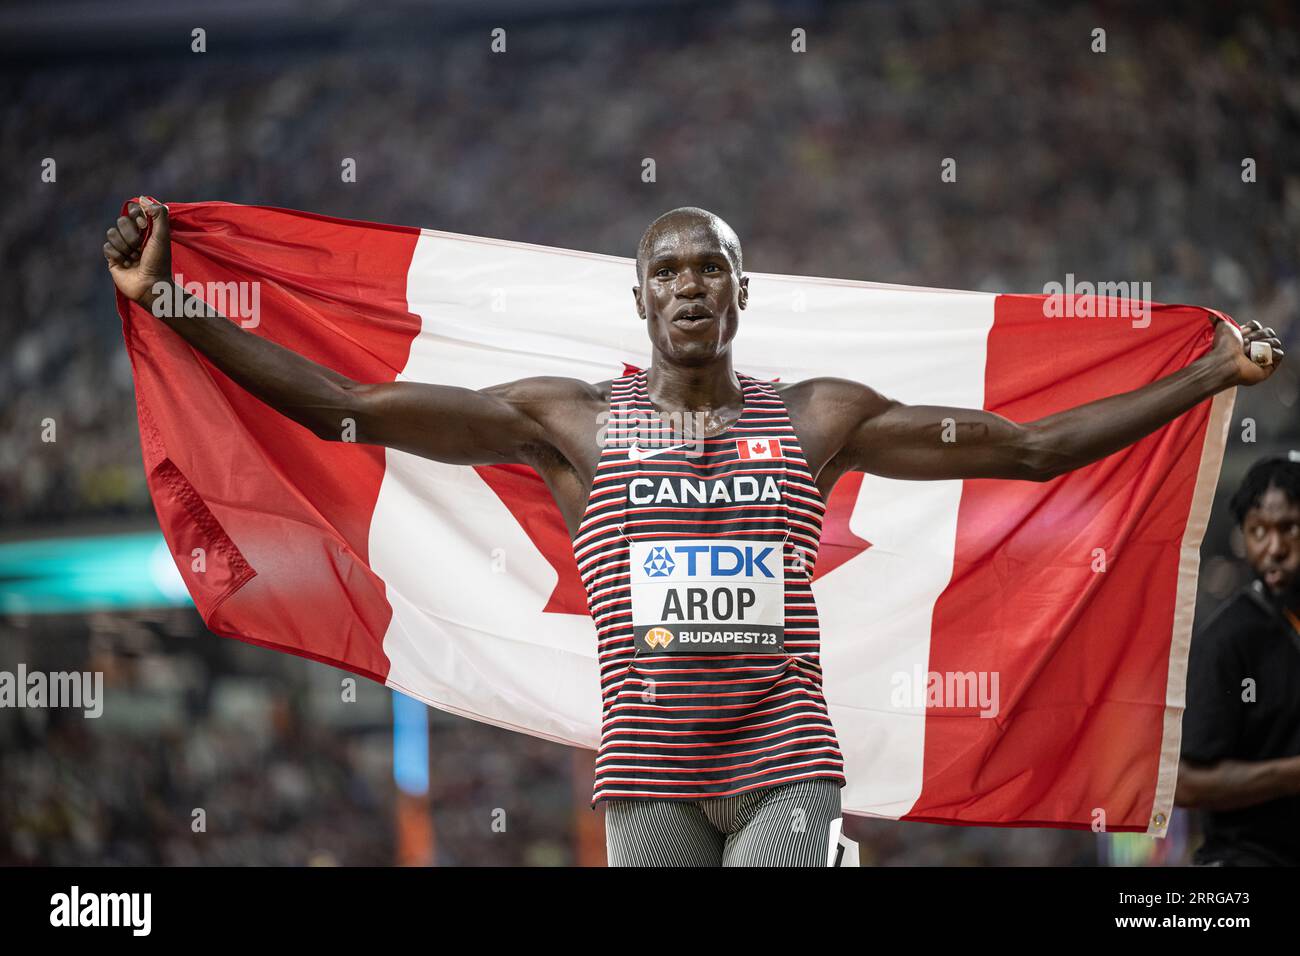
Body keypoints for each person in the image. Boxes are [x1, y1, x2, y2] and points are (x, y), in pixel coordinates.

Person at [104, 198, 1284, 866]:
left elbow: (1028, 449)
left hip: (786, 759)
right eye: (665, 270)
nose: (686, 286)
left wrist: (1204, 374)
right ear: (638, 297)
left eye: (707, 269)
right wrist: (171, 301)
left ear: (739, 291)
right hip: (648, 772)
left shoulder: (817, 417)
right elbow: (346, 408)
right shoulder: (568, 419)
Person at [1176, 456, 1300, 866]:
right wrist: (1290, 775)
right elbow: (1184, 783)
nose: (1274, 549)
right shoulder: (1228, 640)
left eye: (1289, 528)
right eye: (1258, 531)